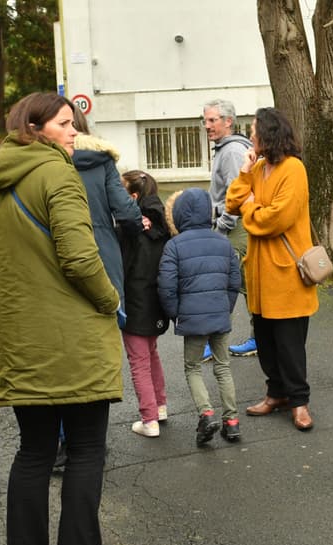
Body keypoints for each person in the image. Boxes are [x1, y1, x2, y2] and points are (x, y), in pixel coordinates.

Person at [0, 92, 123, 545]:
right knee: (86, 450)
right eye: (63, 123)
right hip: (72, 340)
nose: (73, 131)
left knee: (33, 452)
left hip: (19, 342)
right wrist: (110, 300)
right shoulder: (59, 174)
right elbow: (80, 259)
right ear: (35, 129)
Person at [225, 107, 319, 432]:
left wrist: (251, 206)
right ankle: (276, 394)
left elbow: (276, 219)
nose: (250, 136)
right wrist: (244, 173)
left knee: (290, 344)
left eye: (254, 130)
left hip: (287, 274)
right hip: (259, 274)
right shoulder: (258, 167)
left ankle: (299, 402)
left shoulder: (294, 169)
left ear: (269, 134)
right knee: (265, 341)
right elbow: (231, 203)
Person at [68, 104, 143, 439]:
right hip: (101, 258)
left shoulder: (47, 161)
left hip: (59, 257)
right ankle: (90, 435)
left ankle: (64, 435)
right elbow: (126, 212)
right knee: (100, 347)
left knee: (64, 348)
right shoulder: (102, 161)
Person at [157, 188, 243, 446]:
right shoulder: (223, 243)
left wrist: (177, 314)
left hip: (192, 318)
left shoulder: (174, 246)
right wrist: (225, 308)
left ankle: (206, 414)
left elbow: (166, 286)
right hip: (220, 314)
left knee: (193, 367)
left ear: (179, 215)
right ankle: (232, 421)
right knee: (223, 366)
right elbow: (234, 281)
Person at [120, 169, 173, 438]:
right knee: (151, 354)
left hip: (134, 302)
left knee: (138, 361)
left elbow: (121, 266)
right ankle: (160, 406)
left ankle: (149, 419)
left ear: (133, 196)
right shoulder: (162, 226)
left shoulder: (130, 230)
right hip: (157, 303)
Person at [202, 99, 256, 357]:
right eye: (205, 120)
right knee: (242, 286)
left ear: (228, 121)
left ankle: (218, 343)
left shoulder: (232, 151)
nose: (207, 125)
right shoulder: (226, 148)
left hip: (235, 229)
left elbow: (238, 195)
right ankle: (257, 339)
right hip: (233, 228)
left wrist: (221, 227)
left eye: (213, 120)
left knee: (229, 286)